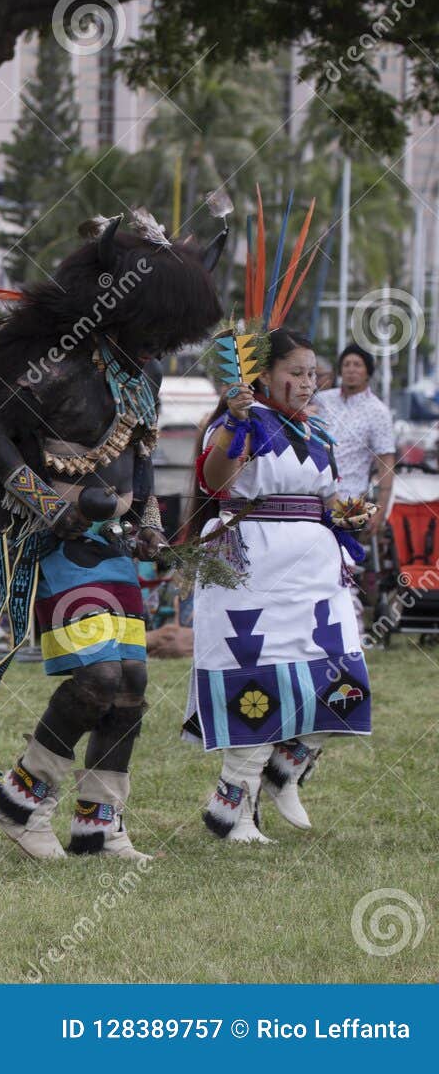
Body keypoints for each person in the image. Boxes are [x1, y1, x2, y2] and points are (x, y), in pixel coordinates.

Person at [0, 209, 227, 862]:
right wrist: (50, 508)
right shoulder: (58, 364)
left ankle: (98, 822)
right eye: (156, 328)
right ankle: (21, 797)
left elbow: (142, 461)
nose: (162, 344)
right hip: (54, 544)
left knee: (132, 686)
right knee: (98, 677)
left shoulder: (144, 374)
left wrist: (150, 525)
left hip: (114, 546)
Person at [187, 328, 371, 842]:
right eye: (296, 373)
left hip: (315, 572)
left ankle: (282, 769)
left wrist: (347, 515)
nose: (308, 382)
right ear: (262, 375)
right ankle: (234, 810)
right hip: (250, 568)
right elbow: (216, 482)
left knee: (344, 682)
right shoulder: (234, 423)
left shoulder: (318, 431)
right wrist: (237, 421)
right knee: (256, 685)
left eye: (313, 373)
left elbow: (327, 496)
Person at [314, 344, 395, 537]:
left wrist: (381, 510)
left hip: (347, 504)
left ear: (368, 372)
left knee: (343, 562)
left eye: (357, 364)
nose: (351, 369)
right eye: (347, 364)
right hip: (312, 496)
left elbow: (386, 463)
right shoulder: (321, 400)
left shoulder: (378, 411)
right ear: (340, 369)